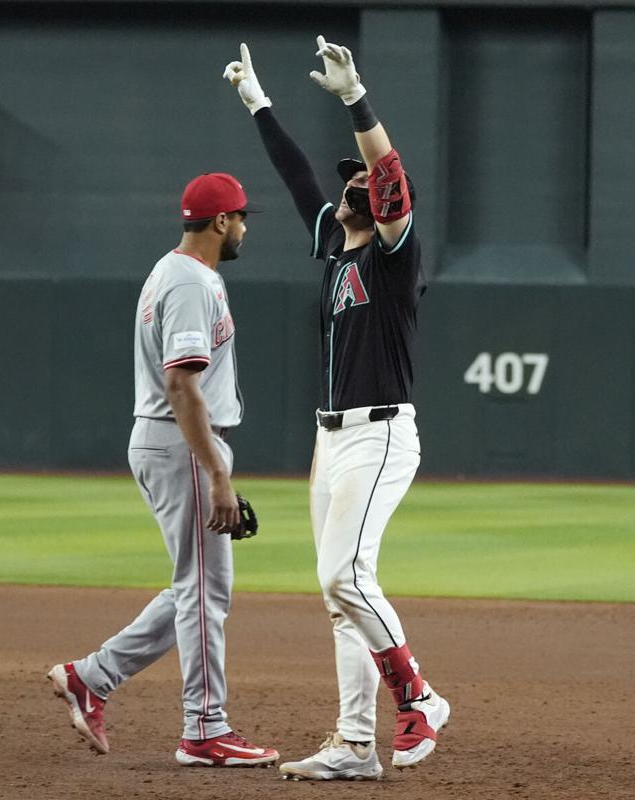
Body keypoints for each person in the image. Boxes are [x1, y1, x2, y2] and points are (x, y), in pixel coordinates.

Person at [224, 37, 449, 781]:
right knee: (340, 596)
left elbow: (388, 180)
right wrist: (260, 106)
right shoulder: (335, 247)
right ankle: (356, 745)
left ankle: (418, 698)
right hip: (332, 442)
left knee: (344, 577)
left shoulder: (391, 256)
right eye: (347, 181)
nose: (350, 185)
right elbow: (294, 176)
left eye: (360, 183)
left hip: (382, 431)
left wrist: (358, 101)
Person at [47, 172, 279, 768]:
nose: (245, 227)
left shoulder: (178, 273)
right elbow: (181, 383)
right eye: (242, 217)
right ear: (222, 221)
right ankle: (204, 729)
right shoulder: (187, 282)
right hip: (179, 444)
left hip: (176, 443)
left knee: (197, 588)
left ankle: (91, 677)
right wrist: (217, 474)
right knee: (203, 592)